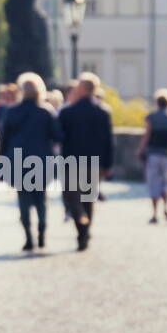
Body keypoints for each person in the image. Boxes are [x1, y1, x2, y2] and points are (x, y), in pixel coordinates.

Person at [0, 72, 61, 252]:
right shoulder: (46, 111)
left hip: (18, 161)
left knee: (24, 200)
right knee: (41, 199)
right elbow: (57, 135)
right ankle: (42, 230)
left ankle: (28, 237)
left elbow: (4, 139)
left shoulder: (12, 112)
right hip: (41, 161)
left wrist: (2, 164)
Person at [57, 72, 114, 251]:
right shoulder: (103, 111)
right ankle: (85, 231)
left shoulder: (67, 111)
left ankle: (81, 223)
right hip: (94, 162)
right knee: (88, 198)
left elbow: (59, 136)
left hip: (71, 161)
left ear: (82, 89)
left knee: (70, 197)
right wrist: (107, 165)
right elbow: (108, 141)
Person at [137, 89, 167, 225]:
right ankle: (166, 207)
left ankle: (155, 213)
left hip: (154, 153)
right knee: (165, 183)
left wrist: (140, 149)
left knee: (154, 182)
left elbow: (147, 135)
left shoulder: (152, 117)